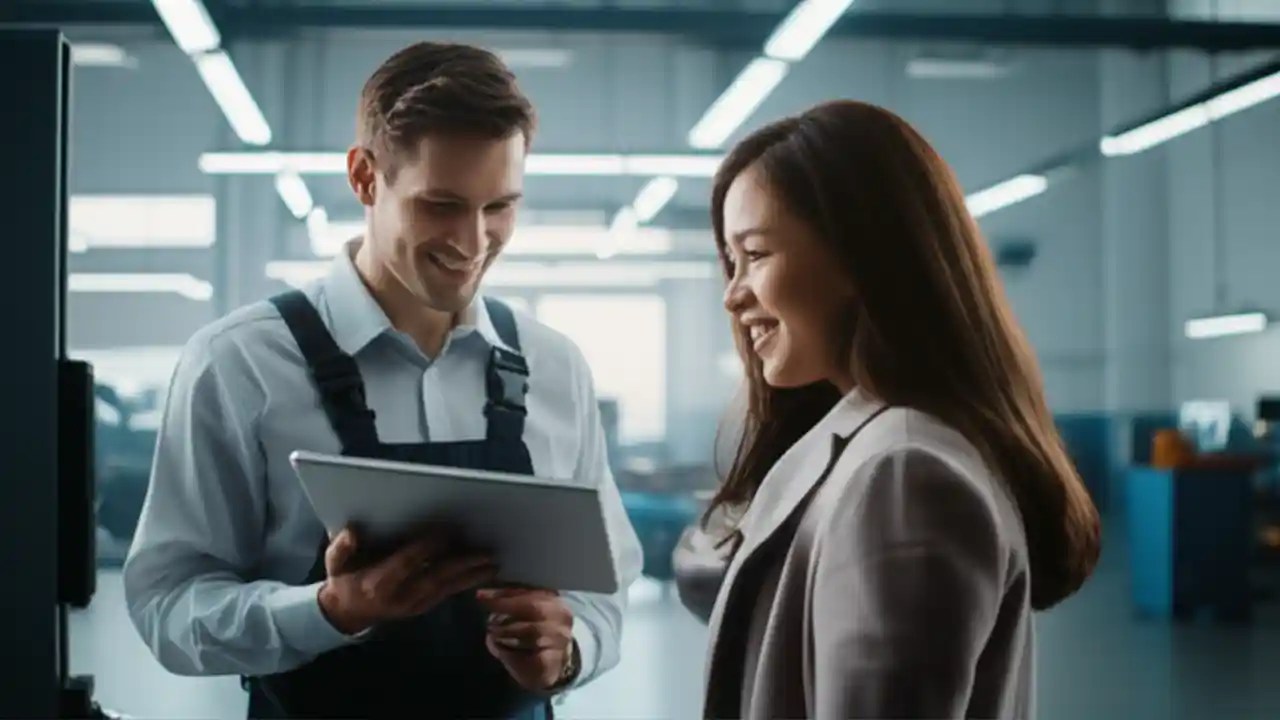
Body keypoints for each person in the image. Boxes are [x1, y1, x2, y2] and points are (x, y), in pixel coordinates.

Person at [123, 42, 643, 720]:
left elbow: (604, 589)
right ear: (366, 177)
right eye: (441, 205)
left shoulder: (554, 367)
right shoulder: (238, 365)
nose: (473, 241)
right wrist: (326, 611)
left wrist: (567, 650)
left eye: (500, 207)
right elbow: (167, 605)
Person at [679, 100, 1102, 719]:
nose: (732, 295)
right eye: (731, 261)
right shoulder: (871, 445)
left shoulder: (903, 475)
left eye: (758, 254)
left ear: (858, 256)